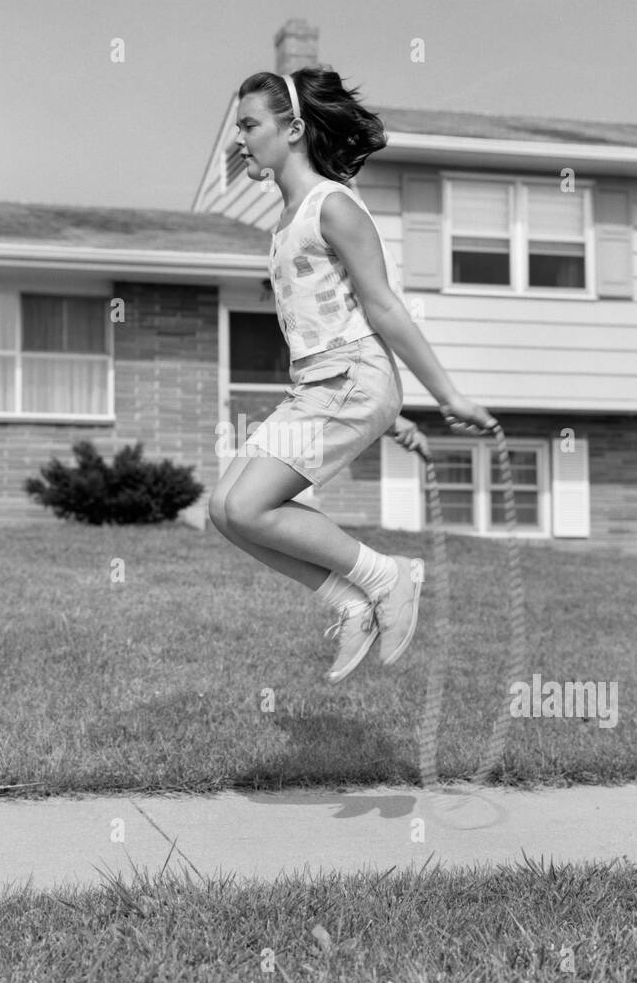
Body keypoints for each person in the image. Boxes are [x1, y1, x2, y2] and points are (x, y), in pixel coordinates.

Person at [208, 66, 496, 683]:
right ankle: (348, 603)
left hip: (351, 377)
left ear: (294, 129)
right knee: (226, 508)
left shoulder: (332, 207)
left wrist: (447, 394)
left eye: (250, 126)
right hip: (318, 384)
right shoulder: (286, 220)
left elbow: (384, 306)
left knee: (254, 506)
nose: (240, 139)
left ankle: (387, 577)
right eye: (238, 128)